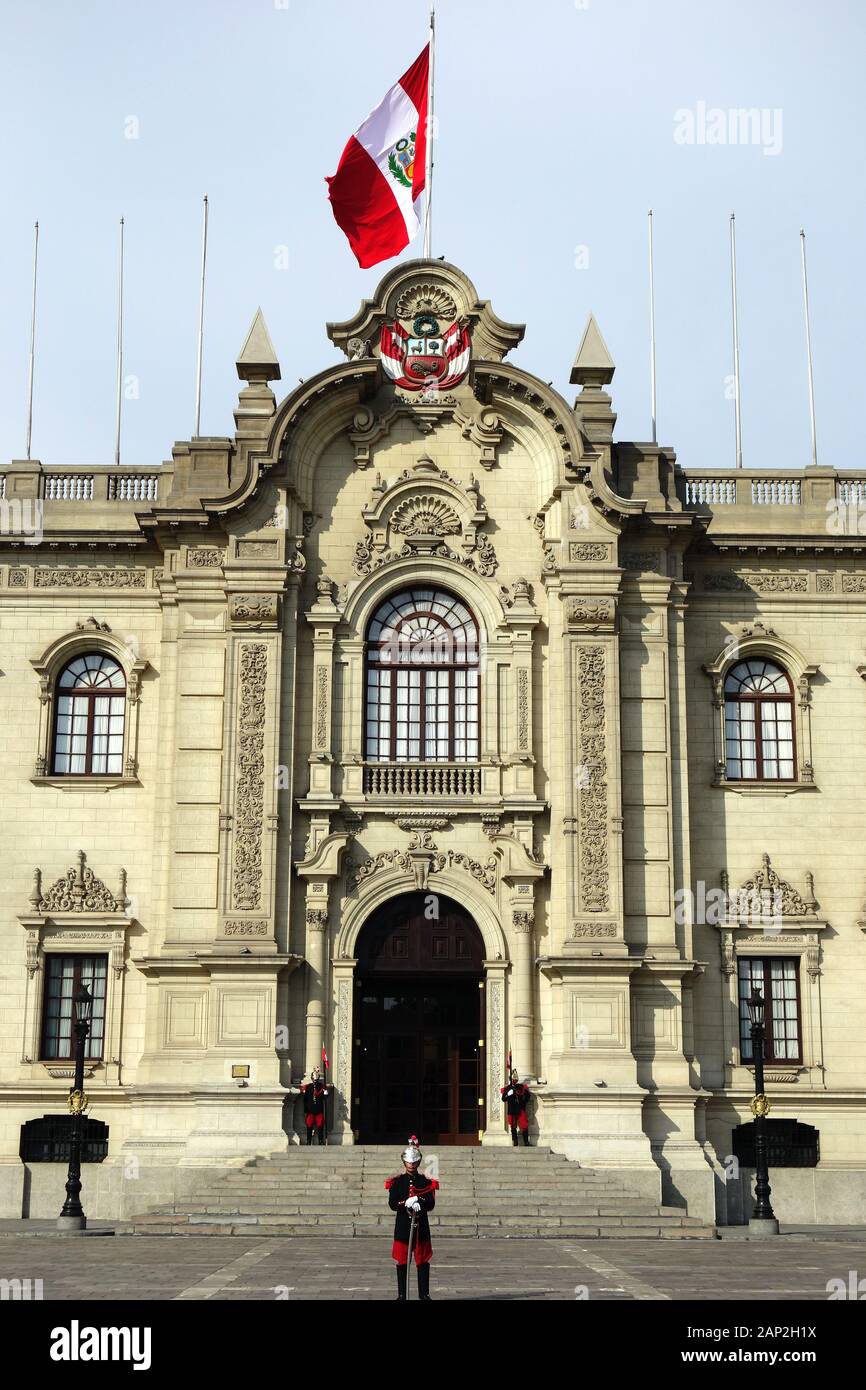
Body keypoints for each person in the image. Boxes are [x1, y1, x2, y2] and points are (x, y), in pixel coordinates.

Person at [385, 1142, 438, 1300]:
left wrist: (418, 1200)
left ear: (419, 1162)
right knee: (402, 1261)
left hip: (420, 1228)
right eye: (409, 1161)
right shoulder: (397, 1182)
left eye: (414, 1162)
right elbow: (393, 1204)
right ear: (404, 1162)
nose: (412, 1165)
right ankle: (402, 1294)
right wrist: (405, 1203)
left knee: (422, 1262)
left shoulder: (426, 1182)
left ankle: (424, 1294)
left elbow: (430, 1203)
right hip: (403, 1227)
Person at [500, 1068, 531, 1146]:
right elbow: (503, 1099)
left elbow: (527, 1096)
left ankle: (526, 1142)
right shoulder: (507, 1088)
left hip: (520, 1109)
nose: (515, 1080)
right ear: (511, 1079)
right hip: (512, 1110)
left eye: (516, 1079)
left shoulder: (521, 1087)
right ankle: (515, 1141)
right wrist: (508, 1094)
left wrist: (523, 1101)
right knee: (513, 1126)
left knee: (524, 1125)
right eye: (513, 1079)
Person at [301, 1067, 329, 1145]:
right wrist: (305, 1109)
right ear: (311, 1079)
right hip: (310, 1110)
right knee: (309, 1126)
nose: (315, 1081)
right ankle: (308, 1141)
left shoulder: (322, 1087)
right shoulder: (308, 1087)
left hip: (319, 1109)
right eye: (314, 1079)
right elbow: (305, 1099)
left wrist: (326, 1094)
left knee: (320, 1126)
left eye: (316, 1079)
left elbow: (324, 1098)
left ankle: (320, 1140)